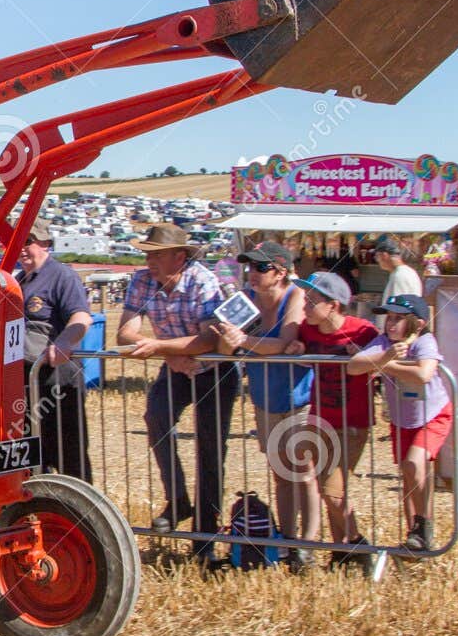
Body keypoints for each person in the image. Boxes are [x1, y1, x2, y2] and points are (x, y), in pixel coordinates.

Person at [116, 223, 237, 556]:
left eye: (157, 254)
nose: (149, 260)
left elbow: (208, 338)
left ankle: (205, 536)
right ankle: (178, 498)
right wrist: (171, 354)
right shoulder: (142, 281)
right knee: (156, 418)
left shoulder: (203, 281)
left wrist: (162, 348)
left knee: (210, 450)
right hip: (178, 367)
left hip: (216, 371)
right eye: (148, 253)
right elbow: (125, 334)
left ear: (179, 257)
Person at [210, 241, 313, 560]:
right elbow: (224, 348)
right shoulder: (244, 300)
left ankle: (307, 545)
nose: (252, 273)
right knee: (280, 473)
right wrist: (232, 342)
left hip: (299, 397)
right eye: (250, 267)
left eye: (260, 267)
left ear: (281, 272)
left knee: (304, 471)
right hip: (265, 395)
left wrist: (244, 342)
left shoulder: (295, 295)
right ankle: (288, 539)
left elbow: (285, 342)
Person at [287, 272, 378, 568]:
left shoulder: (363, 332)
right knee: (331, 491)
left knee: (332, 490)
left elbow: (386, 360)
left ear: (333, 305)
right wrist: (296, 348)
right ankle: (342, 551)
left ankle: (359, 546)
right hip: (320, 419)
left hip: (353, 422)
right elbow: (294, 344)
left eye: (312, 301)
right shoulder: (308, 330)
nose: (304, 307)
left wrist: (368, 357)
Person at [348, 294, 450, 553]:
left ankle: (423, 526)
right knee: (408, 473)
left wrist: (386, 363)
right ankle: (414, 536)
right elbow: (354, 366)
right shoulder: (385, 343)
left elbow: (423, 374)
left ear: (418, 323)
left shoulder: (424, 341)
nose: (391, 324)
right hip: (403, 418)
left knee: (414, 464)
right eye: (389, 318)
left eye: (398, 319)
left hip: (432, 414)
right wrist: (384, 357)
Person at [16, 217, 93, 481]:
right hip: (25, 384)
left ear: (46, 243)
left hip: (58, 382)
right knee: (29, 454)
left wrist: (64, 342)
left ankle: (83, 516)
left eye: (28, 242)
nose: (22, 248)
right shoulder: (17, 281)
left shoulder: (62, 276)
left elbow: (81, 317)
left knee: (69, 454)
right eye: (18, 242)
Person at [374, 236, 423, 301]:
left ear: (384, 256)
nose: (377, 261)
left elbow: (397, 308)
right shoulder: (404, 272)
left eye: (377, 257)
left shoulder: (400, 275)